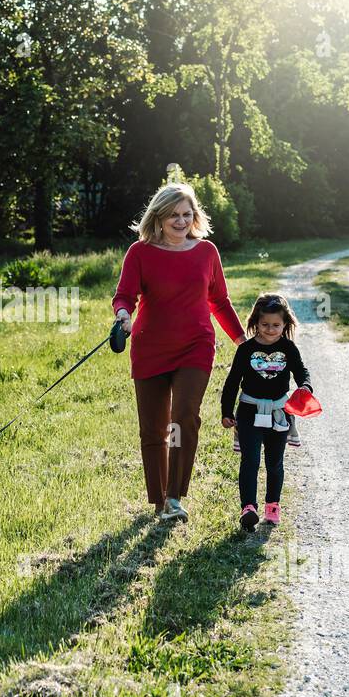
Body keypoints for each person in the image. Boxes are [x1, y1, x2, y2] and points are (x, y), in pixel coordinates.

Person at [112, 183, 245, 522]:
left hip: (195, 345)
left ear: (195, 216)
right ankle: (157, 501)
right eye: (174, 214)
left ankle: (174, 498)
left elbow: (219, 300)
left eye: (187, 214)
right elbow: (125, 295)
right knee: (153, 428)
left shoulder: (206, 252)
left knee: (184, 417)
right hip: (150, 346)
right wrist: (123, 316)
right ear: (159, 216)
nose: (181, 221)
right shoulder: (140, 253)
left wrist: (242, 342)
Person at [220, 293, 313, 532]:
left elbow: (301, 371)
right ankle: (248, 508)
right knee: (250, 460)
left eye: (276, 325)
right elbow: (232, 382)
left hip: (278, 413)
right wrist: (226, 411)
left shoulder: (288, 349)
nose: (270, 330)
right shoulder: (246, 350)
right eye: (265, 325)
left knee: (275, 463)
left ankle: (272, 506)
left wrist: (305, 386)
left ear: (285, 325)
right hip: (249, 412)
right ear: (255, 323)